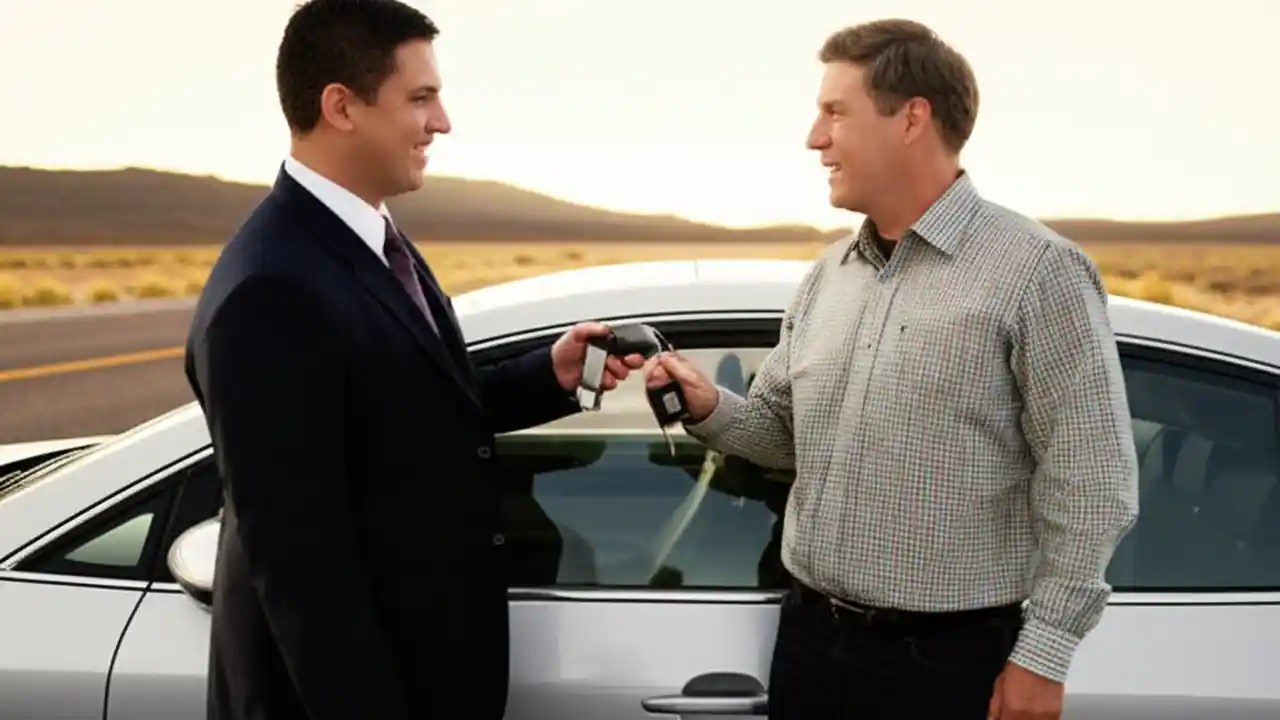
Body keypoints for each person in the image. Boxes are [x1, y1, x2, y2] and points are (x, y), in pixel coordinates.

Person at [644, 18, 1139, 720]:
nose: (815, 138)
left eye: (835, 112)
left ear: (911, 118)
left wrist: (1044, 654)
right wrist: (709, 408)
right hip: (811, 643)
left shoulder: (1037, 272)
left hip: (946, 666)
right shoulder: (827, 278)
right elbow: (783, 436)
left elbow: (1092, 479)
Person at [183, 2, 642, 718]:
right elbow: (303, 566)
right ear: (342, 106)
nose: (443, 122)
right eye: (420, 98)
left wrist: (544, 375)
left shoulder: (367, 237)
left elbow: (404, 413)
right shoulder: (273, 288)